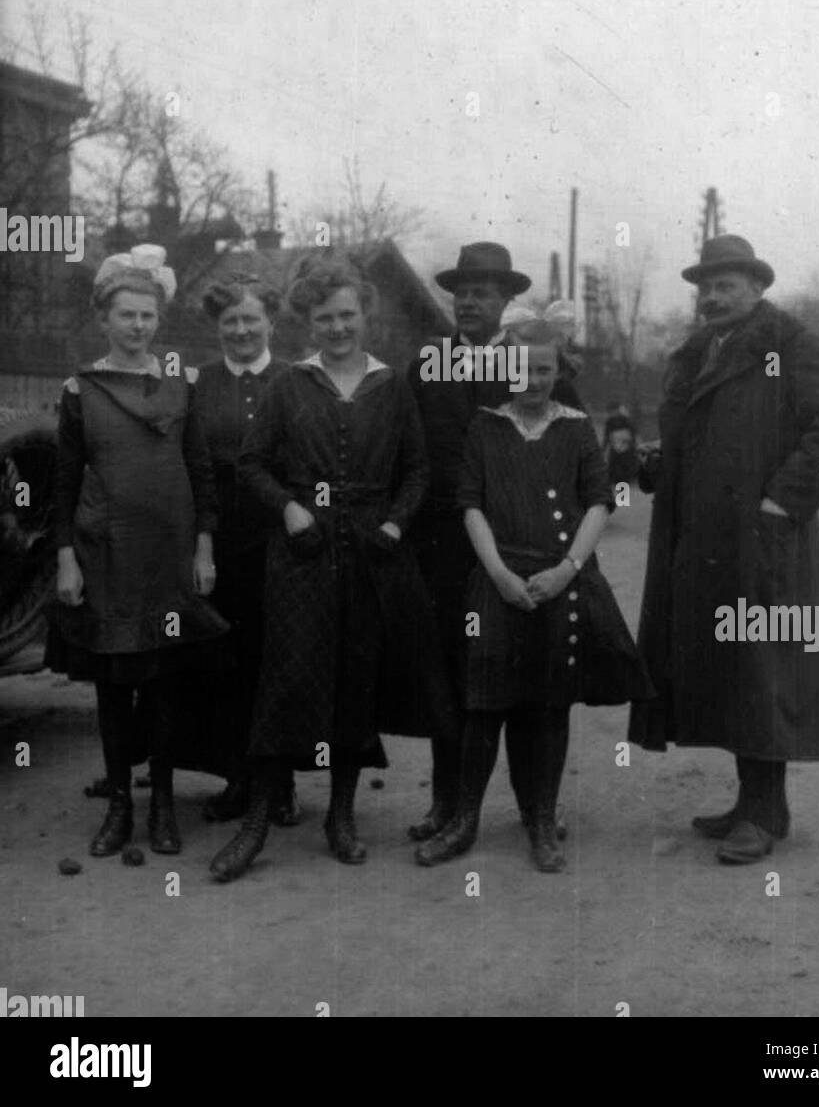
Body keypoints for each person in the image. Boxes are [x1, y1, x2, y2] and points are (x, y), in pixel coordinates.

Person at [208, 256, 452, 882]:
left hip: (370, 555)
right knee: (284, 681)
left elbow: (418, 470)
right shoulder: (290, 384)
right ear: (308, 324)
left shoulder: (391, 386)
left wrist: (395, 523)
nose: (337, 327)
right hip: (301, 555)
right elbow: (251, 464)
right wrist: (290, 508)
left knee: (354, 681)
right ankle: (257, 821)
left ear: (364, 315)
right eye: (324, 318)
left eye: (346, 315)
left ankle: (339, 818)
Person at [628, 235, 819, 864]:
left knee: (764, 669)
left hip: (763, 542)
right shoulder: (698, 353)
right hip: (702, 545)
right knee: (731, 670)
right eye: (704, 286)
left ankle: (766, 813)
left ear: (758, 287)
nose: (710, 296)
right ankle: (750, 802)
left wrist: (780, 504)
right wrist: (659, 463)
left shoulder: (790, 345)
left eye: (725, 284)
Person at [415, 306, 653, 873]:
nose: (533, 381)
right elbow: (469, 504)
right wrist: (497, 574)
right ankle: (463, 819)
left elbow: (600, 501)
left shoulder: (574, 428)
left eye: (544, 370)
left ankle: (541, 821)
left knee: (548, 705)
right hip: (496, 579)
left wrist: (567, 570)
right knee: (484, 703)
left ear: (557, 370)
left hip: (559, 581)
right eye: (521, 369)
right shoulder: (485, 426)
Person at [51, 245, 228, 858]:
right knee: (113, 680)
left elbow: (200, 470)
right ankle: (120, 805)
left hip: (169, 555)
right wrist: (66, 557)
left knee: (164, 680)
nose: (138, 326)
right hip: (106, 555)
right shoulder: (81, 390)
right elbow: (64, 482)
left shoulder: (182, 384)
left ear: (160, 320)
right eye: (126, 315)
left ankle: (162, 807)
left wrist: (203, 547)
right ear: (104, 318)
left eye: (148, 316)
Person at [406, 242, 582, 843]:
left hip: (524, 547)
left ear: (508, 300)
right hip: (444, 549)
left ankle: (538, 807)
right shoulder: (428, 362)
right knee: (453, 676)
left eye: (484, 292)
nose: (469, 302)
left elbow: (576, 450)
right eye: (461, 292)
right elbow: (409, 448)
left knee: (531, 677)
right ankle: (448, 804)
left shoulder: (533, 361)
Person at [179, 274, 299, 826]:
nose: (242, 330)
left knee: (281, 660)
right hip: (220, 543)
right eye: (230, 321)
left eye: (251, 318)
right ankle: (238, 779)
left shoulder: (296, 381)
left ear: (271, 322)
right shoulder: (196, 384)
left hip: (284, 541)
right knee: (227, 665)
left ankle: (281, 784)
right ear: (217, 328)